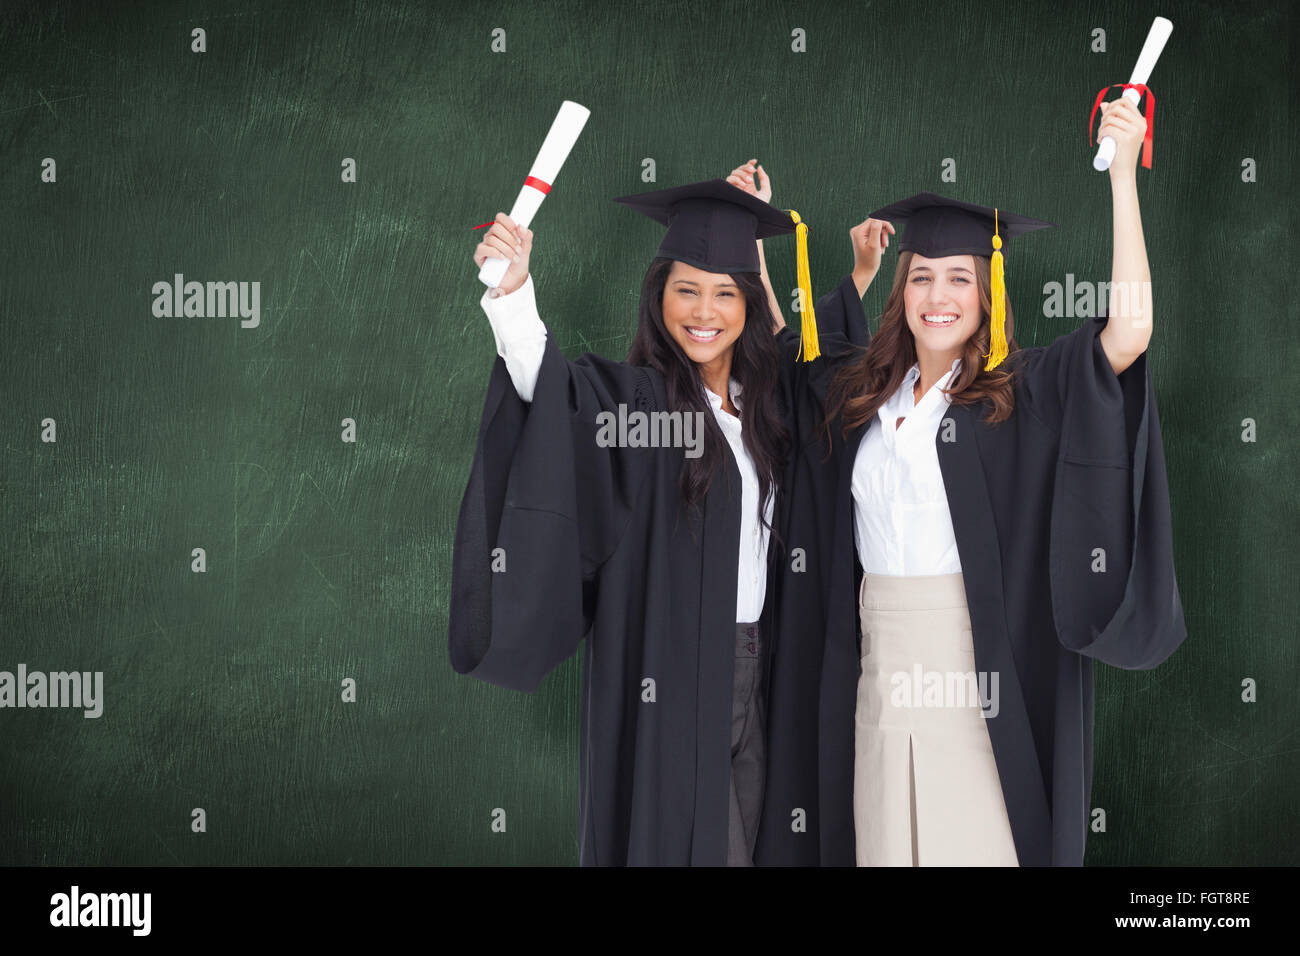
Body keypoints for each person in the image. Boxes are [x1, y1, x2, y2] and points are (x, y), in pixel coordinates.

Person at [734, 97, 1187, 866]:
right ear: (901, 291)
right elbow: (785, 356)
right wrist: (748, 232)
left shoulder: (1020, 391)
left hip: (974, 669)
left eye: (958, 280)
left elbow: (1130, 331)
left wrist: (1123, 181)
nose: (937, 298)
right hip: (876, 667)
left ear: (987, 293)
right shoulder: (863, 394)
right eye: (921, 279)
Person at [447, 179, 860, 866]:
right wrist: (515, 294)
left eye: (725, 293)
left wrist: (755, 235)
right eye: (685, 290)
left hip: (764, 666)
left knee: (762, 845)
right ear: (657, 298)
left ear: (749, 304)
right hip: (672, 669)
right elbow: (552, 391)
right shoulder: (641, 407)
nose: (705, 312)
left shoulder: (765, 408)